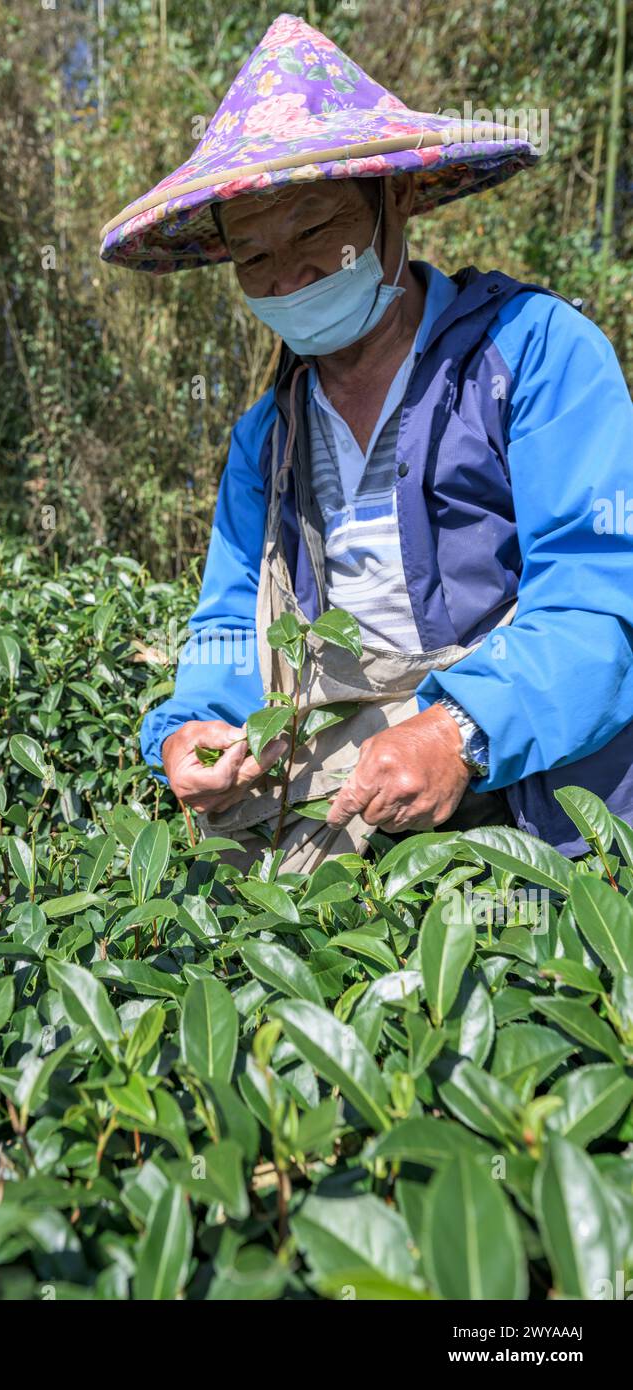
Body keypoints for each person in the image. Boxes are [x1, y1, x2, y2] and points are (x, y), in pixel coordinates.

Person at [99, 13, 633, 870]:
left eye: (313, 232)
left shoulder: (535, 355)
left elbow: (599, 607)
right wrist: (187, 729)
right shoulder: (267, 438)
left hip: (552, 817)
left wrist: (462, 729)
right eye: (252, 257)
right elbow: (235, 621)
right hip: (354, 802)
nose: (287, 278)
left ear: (400, 198)